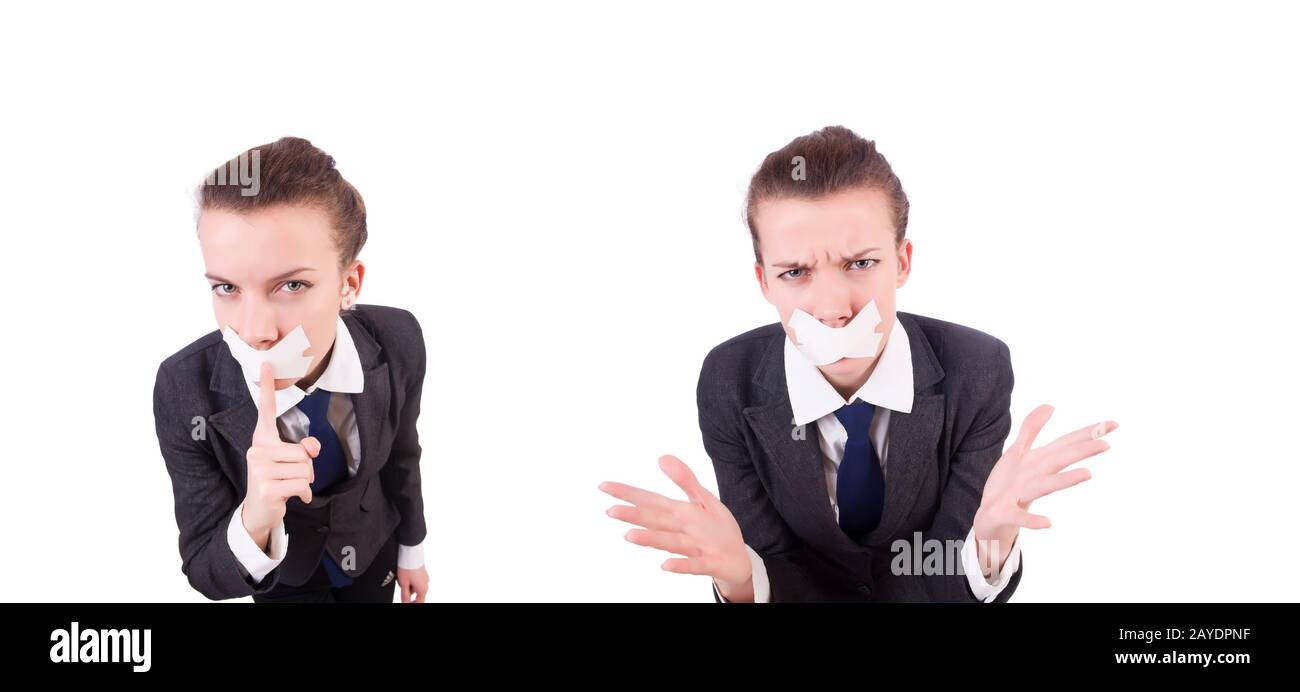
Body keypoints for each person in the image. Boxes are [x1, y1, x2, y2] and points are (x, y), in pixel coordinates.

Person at [600, 126, 1117, 602]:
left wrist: (988, 545)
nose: (833, 309)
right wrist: (741, 579)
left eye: (861, 264)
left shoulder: (976, 369)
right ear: (763, 283)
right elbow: (776, 565)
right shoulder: (728, 382)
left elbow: (942, 575)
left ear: (903, 262)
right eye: (795, 272)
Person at [152, 137, 430, 603]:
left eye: (292, 285)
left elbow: (404, 455)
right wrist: (255, 516)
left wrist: (412, 554)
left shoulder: (397, 338)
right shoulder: (184, 388)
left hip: (374, 556)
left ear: (348, 284)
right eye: (226, 288)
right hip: (284, 584)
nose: (255, 331)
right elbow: (204, 571)